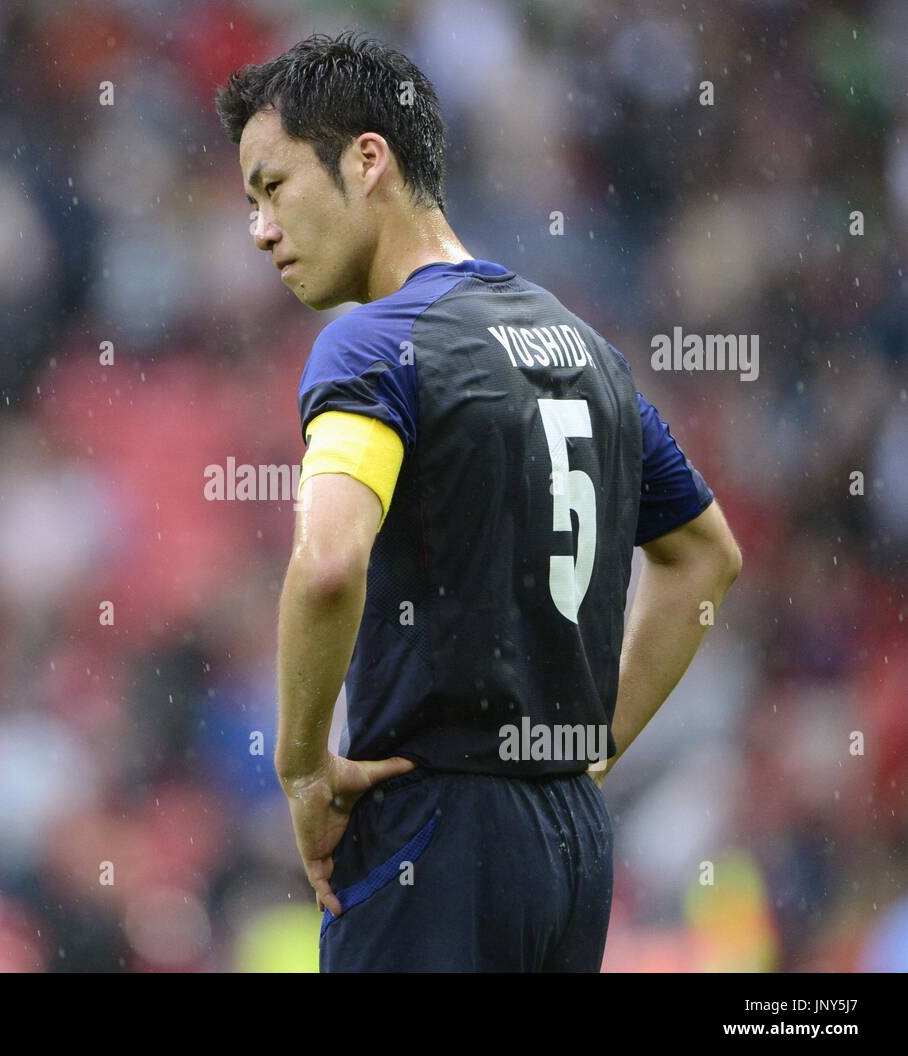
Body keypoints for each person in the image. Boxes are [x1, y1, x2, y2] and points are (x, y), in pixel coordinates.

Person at [216, 31, 743, 972]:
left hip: (436, 831)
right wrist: (589, 746)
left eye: (273, 187)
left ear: (367, 159)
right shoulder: (587, 348)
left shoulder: (371, 346)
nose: (259, 228)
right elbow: (707, 556)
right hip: (573, 846)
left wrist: (301, 770)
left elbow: (328, 564)